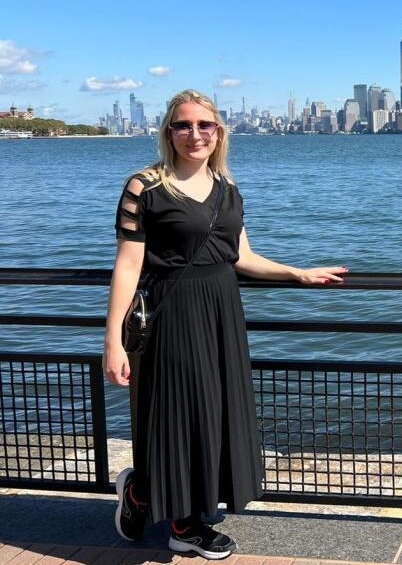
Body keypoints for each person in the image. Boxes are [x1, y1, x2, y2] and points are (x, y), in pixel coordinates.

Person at [103, 89, 347, 560]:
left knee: (215, 412)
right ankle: (184, 525)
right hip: (172, 312)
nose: (194, 134)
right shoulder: (145, 187)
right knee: (180, 412)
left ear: (218, 133)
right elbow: (128, 266)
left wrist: (298, 272)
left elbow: (243, 257)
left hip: (222, 312)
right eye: (183, 125)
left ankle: (141, 494)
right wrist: (112, 341)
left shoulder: (227, 189)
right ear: (168, 132)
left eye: (204, 125)